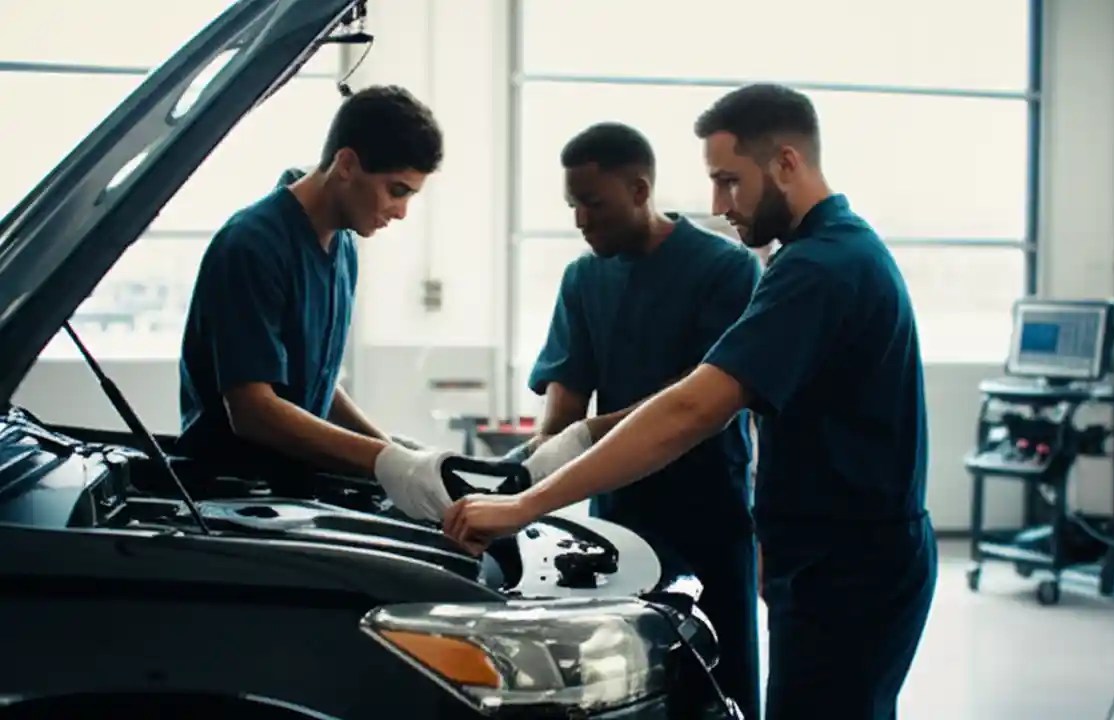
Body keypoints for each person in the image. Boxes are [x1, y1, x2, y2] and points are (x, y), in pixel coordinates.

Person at [443, 84, 938, 720]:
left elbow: (693, 409)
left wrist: (528, 503)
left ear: (786, 163)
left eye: (730, 181)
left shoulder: (819, 268)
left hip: (848, 567)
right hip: (828, 555)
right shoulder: (833, 251)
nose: (717, 203)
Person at [502, 121, 763, 719]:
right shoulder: (584, 278)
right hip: (619, 526)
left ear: (641, 190)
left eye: (593, 204)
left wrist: (580, 439)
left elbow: (701, 403)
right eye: (572, 205)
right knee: (628, 689)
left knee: (722, 689)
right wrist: (522, 480)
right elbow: (563, 412)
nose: (580, 220)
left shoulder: (724, 271)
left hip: (710, 522)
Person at [176, 84, 458, 521]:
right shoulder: (251, 246)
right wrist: (383, 462)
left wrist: (392, 452)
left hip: (295, 495)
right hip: (233, 506)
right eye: (396, 190)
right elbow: (253, 410)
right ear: (346, 164)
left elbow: (315, 382)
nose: (401, 212)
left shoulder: (343, 245)